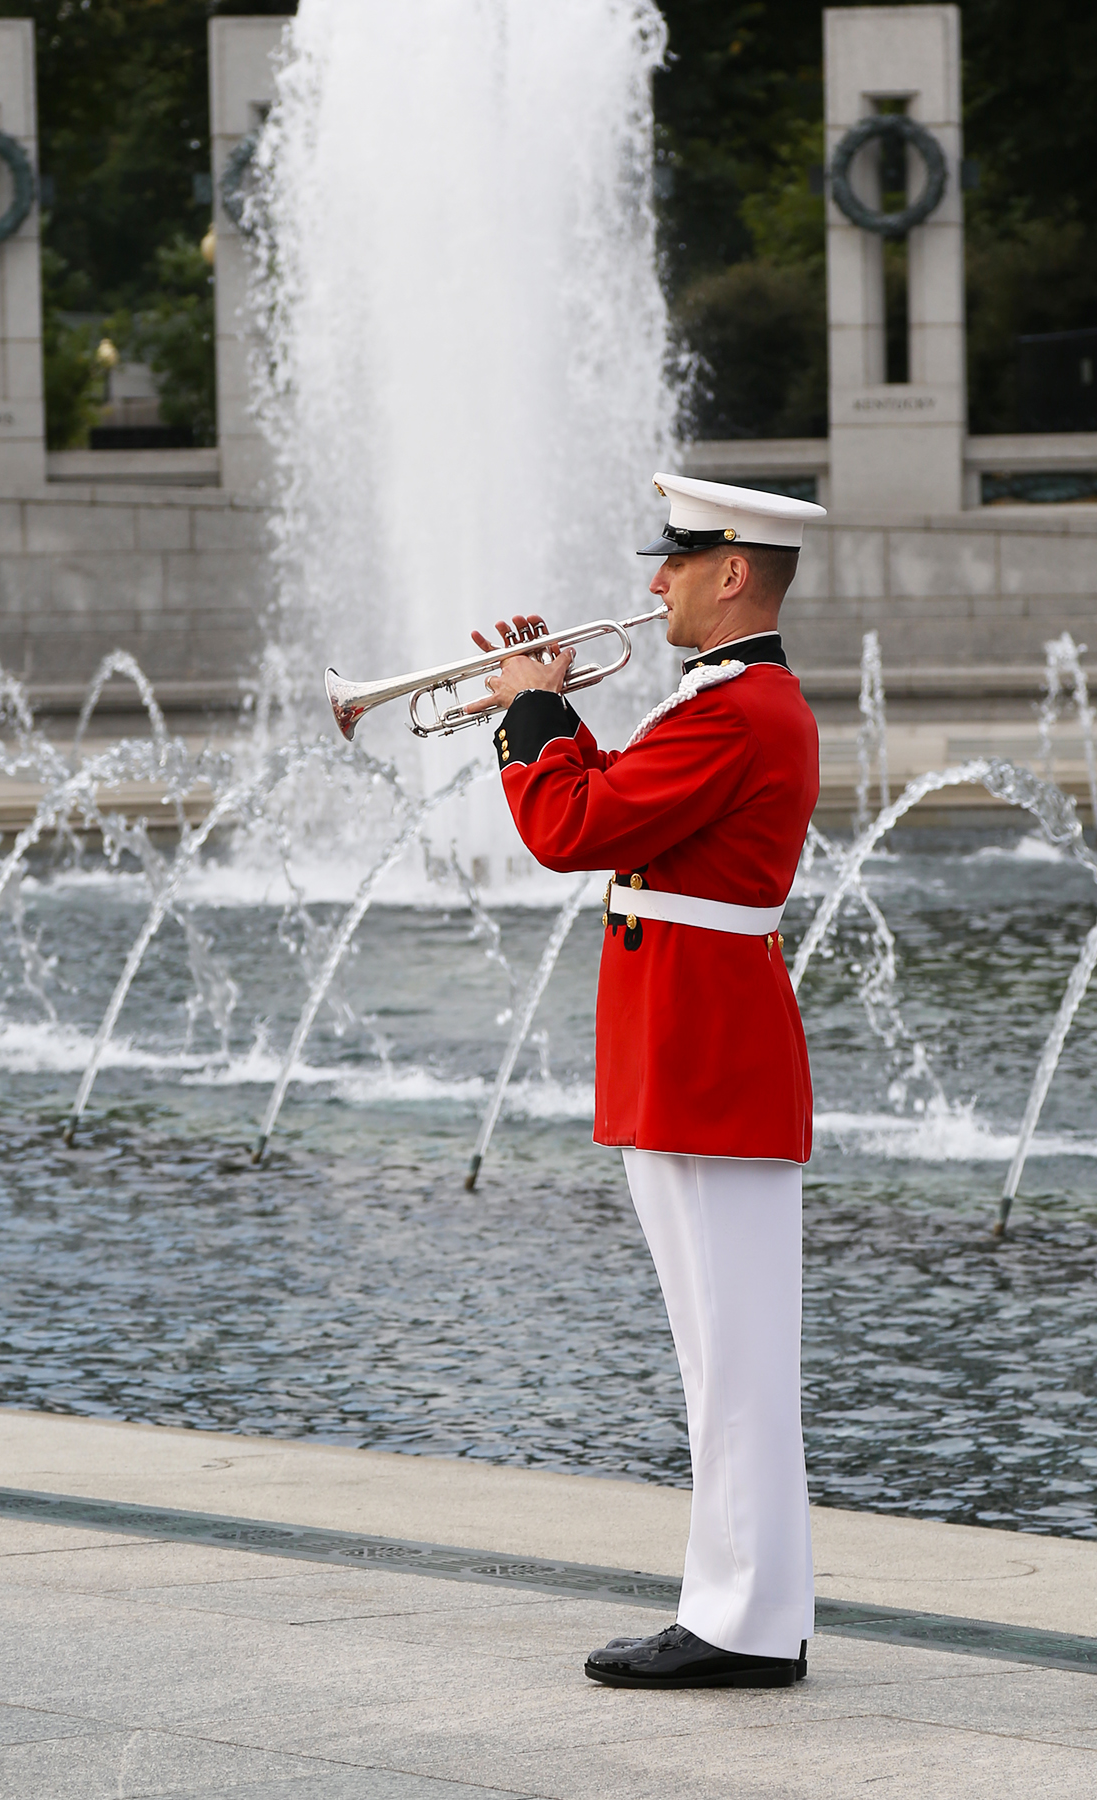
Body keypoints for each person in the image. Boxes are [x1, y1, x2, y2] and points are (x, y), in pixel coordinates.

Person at [472, 472, 825, 1690]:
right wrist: (547, 716)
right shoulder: (727, 701)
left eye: (675, 561)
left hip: (705, 1057)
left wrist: (527, 720)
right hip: (692, 1048)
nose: (652, 581)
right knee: (724, 1355)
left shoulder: (737, 708)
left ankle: (739, 1622)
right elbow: (620, 802)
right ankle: (750, 1611)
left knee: (729, 1357)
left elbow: (573, 830)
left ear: (734, 572)